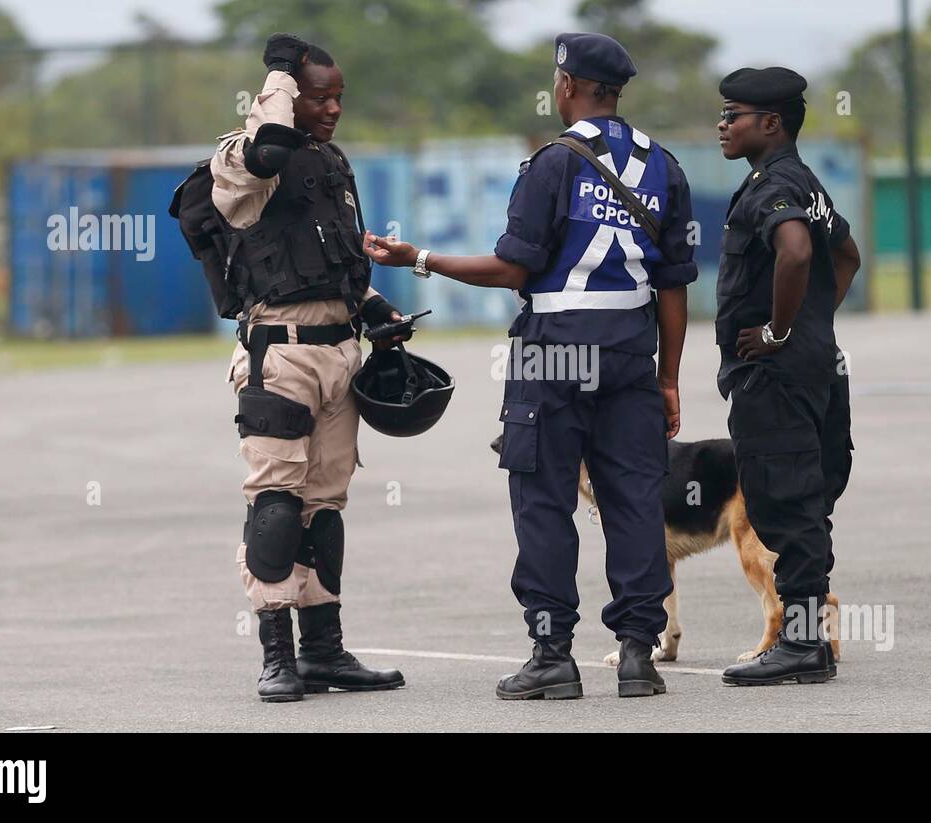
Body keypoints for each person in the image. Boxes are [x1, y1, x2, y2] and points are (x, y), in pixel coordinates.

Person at [362, 32, 698, 699]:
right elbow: (674, 288)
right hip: (631, 353)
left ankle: (552, 654)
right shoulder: (665, 167)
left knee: (544, 501)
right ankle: (637, 654)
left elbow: (513, 267)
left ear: (569, 86)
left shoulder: (553, 163)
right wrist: (667, 377)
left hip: (553, 350)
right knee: (632, 500)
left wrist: (418, 259)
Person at [212, 33, 407, 702]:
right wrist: (279, 72)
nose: (331, 108)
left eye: (338, 97)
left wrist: (379, 310)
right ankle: (276, 656)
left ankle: (324, 651)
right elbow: (269, 145)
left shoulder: (329, 162)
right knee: (274, 503)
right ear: (287, 96)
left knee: (324, 508)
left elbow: (334, 260)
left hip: (338, 352)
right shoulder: (245, 157)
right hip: (280, 354)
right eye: (317, 96)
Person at [711, 67, 862, 686]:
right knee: (806, 500)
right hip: (815, 367)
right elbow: (847, 254)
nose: (722, 125)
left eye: (732, 115)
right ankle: (810, 645)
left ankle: (800, 645)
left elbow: (798, 251)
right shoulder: (807, 182)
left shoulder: (773, 186)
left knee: (785, 501)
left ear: (770, 124)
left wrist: (778, 331)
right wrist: (813, 324)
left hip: (775, 376)